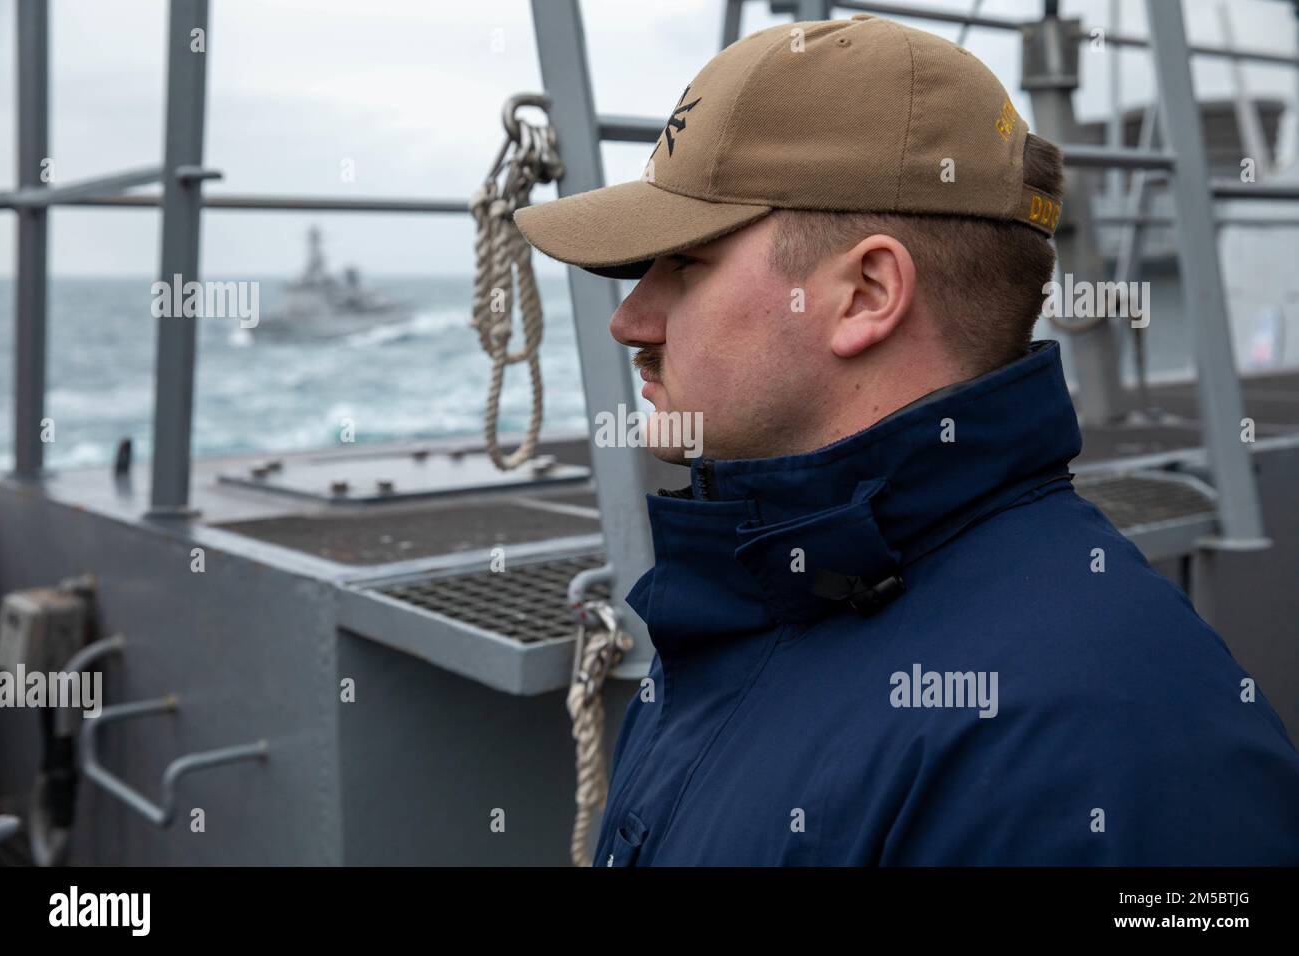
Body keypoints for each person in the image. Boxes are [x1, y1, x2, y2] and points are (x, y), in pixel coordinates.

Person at [514, 13, 1299, 865]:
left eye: (685, 264)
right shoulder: (750, 592)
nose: (631, 321)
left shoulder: (1109, 747)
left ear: (866, 294)